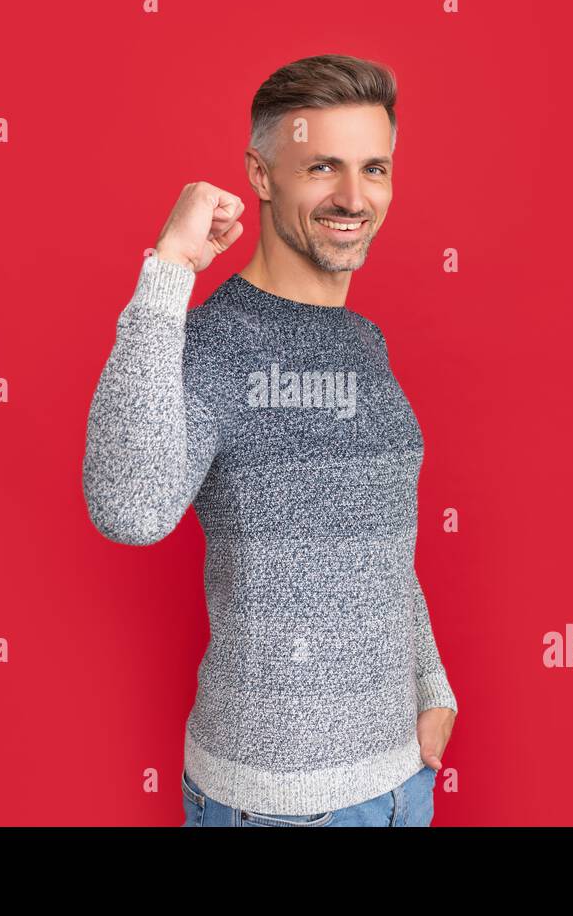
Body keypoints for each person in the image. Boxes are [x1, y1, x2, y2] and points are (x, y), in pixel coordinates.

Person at [83, 54, 458, 827]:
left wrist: (432, 686)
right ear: (261, 174)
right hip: (281, 808)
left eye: (375, 168)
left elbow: (381, 545)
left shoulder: (364, 343)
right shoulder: (216, 345)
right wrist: (171, 268)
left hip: (401, 786)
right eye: (322, 166)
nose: (354, 198)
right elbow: (128, 507)